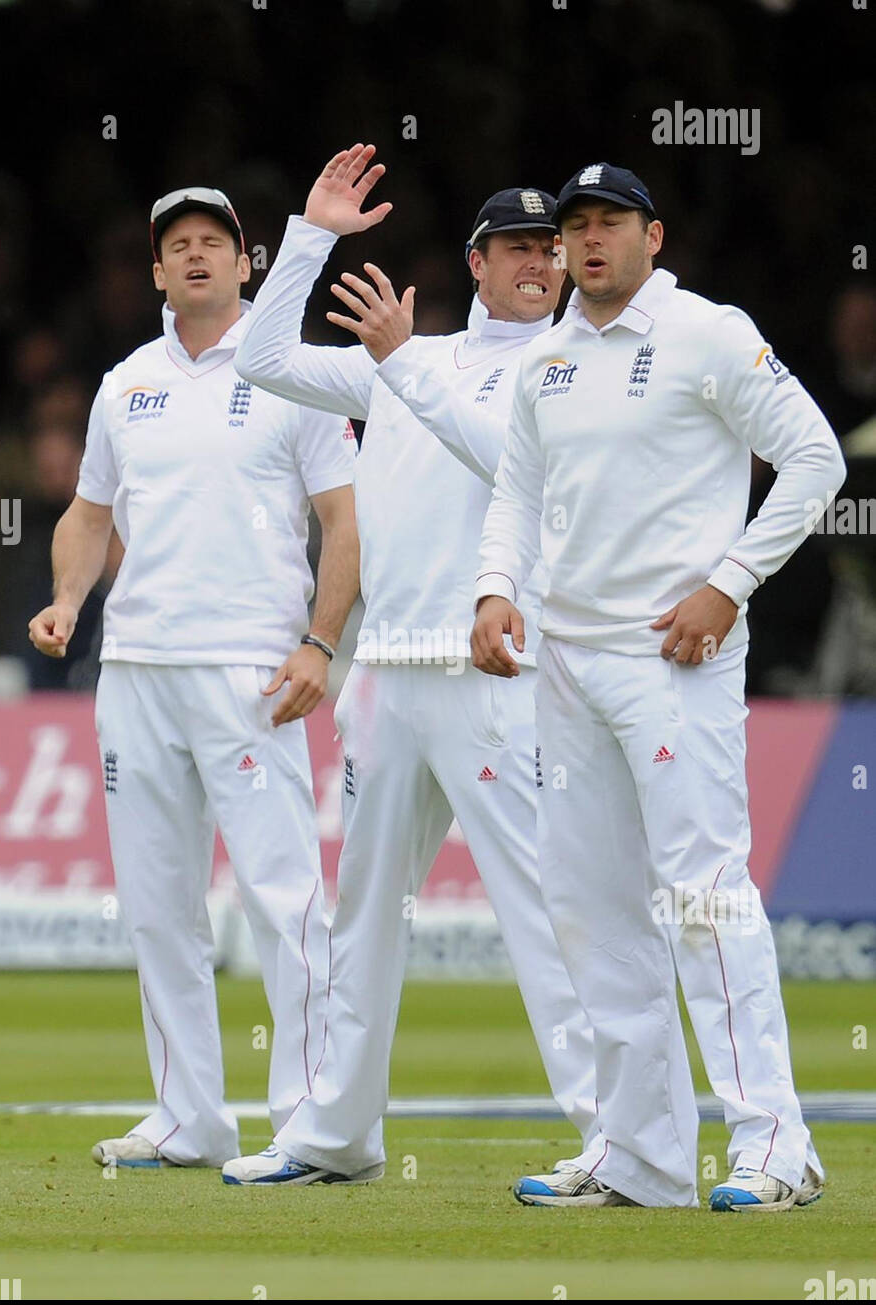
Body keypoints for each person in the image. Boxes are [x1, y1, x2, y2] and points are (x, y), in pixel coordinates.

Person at [222, 144, 598, 1186]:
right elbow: (259, 358)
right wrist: (309, 238)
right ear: (476, 261)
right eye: (521, 248)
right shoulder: (410, 353)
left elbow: (511, 460)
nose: (543, 265)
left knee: (543, 904)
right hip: (385, 672)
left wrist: (400, 364)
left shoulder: (563, 366)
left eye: (554, 249)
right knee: (360, 912)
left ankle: (613, 1131)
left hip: (492, 671)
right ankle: (336, 1133)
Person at [472, 162, 845, 1211]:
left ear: (652, 235)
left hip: (674, 659)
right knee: (590, 908)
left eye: (607, 224)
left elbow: (814, 460)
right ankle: (638, 1153)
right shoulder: (547, 359)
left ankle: (778, 1145)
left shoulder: (710, 334)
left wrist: (726, 586)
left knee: (702, 894)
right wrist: (495, 587)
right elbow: (514, 489)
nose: (585, 242)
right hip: (566, 662)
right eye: (571, 228)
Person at [28, 187, 358, 1169]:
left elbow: (344, 520)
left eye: (216, 240)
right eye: (180, 245)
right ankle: (189, 1115)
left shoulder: (289, 373)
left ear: (246, 263)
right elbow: (91, 515)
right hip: (135, 668)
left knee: (282, 896)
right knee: (159, 903)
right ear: (160, 273)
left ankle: (308, 1120)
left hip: (250, 666)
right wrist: (67, 600)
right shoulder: (126, 383)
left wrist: (319, 641)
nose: (199, 255)